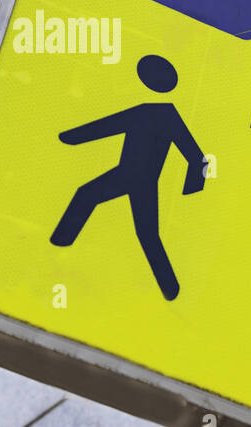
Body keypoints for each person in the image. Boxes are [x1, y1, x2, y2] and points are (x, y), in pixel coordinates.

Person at [50, 54, 205, 300]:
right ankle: (59, 243)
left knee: (143, 230)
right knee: (89, 197)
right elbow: (106, 126)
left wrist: (192, 186)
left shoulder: (167, 116)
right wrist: (70, 137)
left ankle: (171, 288)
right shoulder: (149, 112)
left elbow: (196, 156)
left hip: (139, 180)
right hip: (129, 175)